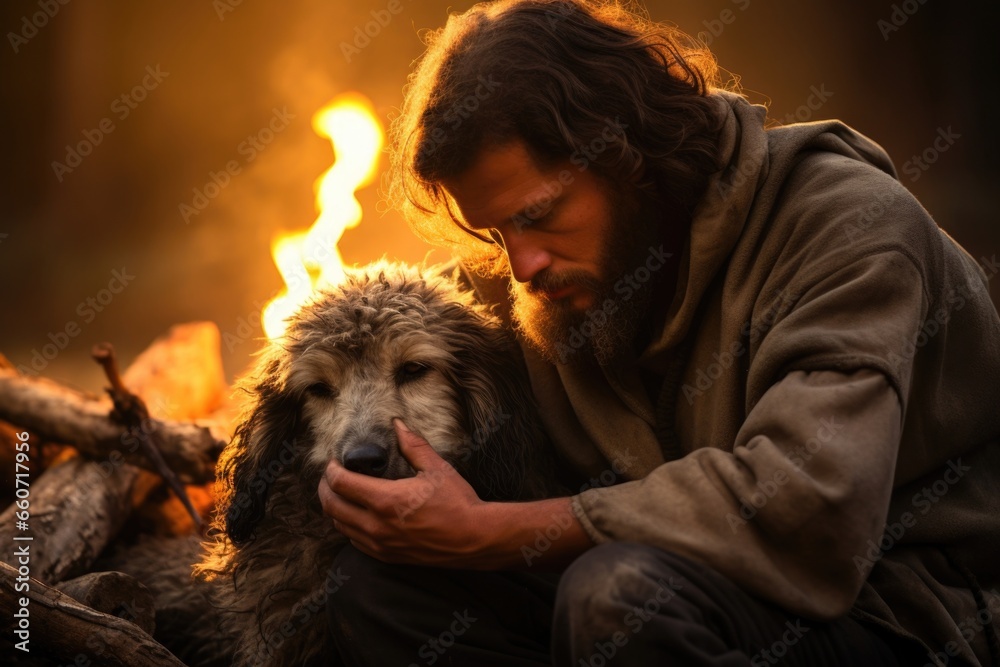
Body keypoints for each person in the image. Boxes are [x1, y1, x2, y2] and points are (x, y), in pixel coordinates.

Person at [317, 0, 1000, 665]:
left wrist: (488, 532)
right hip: (663, 585)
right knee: (374, 589)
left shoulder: (848, 228)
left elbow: (807, 504)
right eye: (497, 233)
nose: (520, 264)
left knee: (617, 598)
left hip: (896, 611)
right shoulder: (542, 271)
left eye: (539, 214)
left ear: (624, 154)